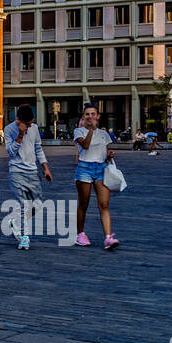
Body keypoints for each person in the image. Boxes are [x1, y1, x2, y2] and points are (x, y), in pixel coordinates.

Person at [4, 104, 52, 250]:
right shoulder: (9, 130)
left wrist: (45, 168)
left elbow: (38, 148)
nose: (30, 125)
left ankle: (15, 222)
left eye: (32, 122)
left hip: (32, 172)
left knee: (37, 205)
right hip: (16, 172)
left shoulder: (34, 128)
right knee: (25, 205)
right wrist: (19, 136)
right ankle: (25, 238)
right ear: (19, 120)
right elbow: (11, 153)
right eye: (27, 123)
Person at [73, 102, 119, 249]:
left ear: (98, 116)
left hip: (100, 168)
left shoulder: (104, 134)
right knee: (84, 204)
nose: (90, 117)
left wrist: (109, 155)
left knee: (104, 204)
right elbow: (85, 146)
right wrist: (91, 130)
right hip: (84, 168)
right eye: (87, 114)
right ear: (83, 116)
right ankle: (80, 234)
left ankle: (108, 237)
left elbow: (104, 153)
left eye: (93, 114)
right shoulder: (78, 131)